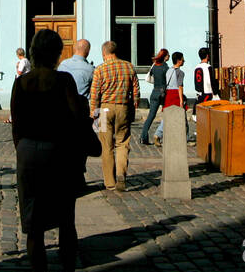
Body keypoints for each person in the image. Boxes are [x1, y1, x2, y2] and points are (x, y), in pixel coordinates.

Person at [11, 28, 87, 272]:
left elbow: (16, 125)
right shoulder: (64, 80)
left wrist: (22, 152)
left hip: (29, 153)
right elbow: (76, 118)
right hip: (59, 152)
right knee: (66, 220)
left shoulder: (21, 82)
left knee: (33, 226)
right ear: (57, 53)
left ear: (32, 52)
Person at [89, 40, 141, 192]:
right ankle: (121, 174)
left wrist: (94, 112)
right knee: (122, 142)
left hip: (104, 110)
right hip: (123, 108)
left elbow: (95, 93)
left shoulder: (100, 69)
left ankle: (110, 182)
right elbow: (136, 89)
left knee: (106, 145)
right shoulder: (129, 66)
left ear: (104, 53)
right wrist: (134, 103)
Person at [58, 39, 94, 191]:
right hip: (82, 112)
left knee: (65, 145)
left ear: (74, 48)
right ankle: (79, 177)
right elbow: (94, 94)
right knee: (81, 147)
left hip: (64, 111)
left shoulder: (63, 65)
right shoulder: (91, 69)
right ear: (88, 51)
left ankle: (65, 178)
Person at [140, 49, 170, 146]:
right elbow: (168, 81)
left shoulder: (154, 66)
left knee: (151, 116)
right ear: (165, 56)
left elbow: (151, 76)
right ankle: (160, 134)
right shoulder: (165, 67)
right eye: (168, 55)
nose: (169, 57)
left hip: (154, 92)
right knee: (168, 114)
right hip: (163, 92)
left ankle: (143, 136)